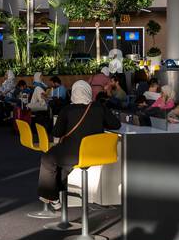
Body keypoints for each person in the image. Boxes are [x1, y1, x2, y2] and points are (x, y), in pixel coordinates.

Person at [36, 80, 121, 213]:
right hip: (96, 154)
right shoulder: (99, 107)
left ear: (73, 93)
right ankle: (56, 194)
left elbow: (57, 132)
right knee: (62, 166)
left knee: (48, 158)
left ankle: (52, 197)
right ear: (88, 92)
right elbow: (116, 125)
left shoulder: (67, 110)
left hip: (73, 154)